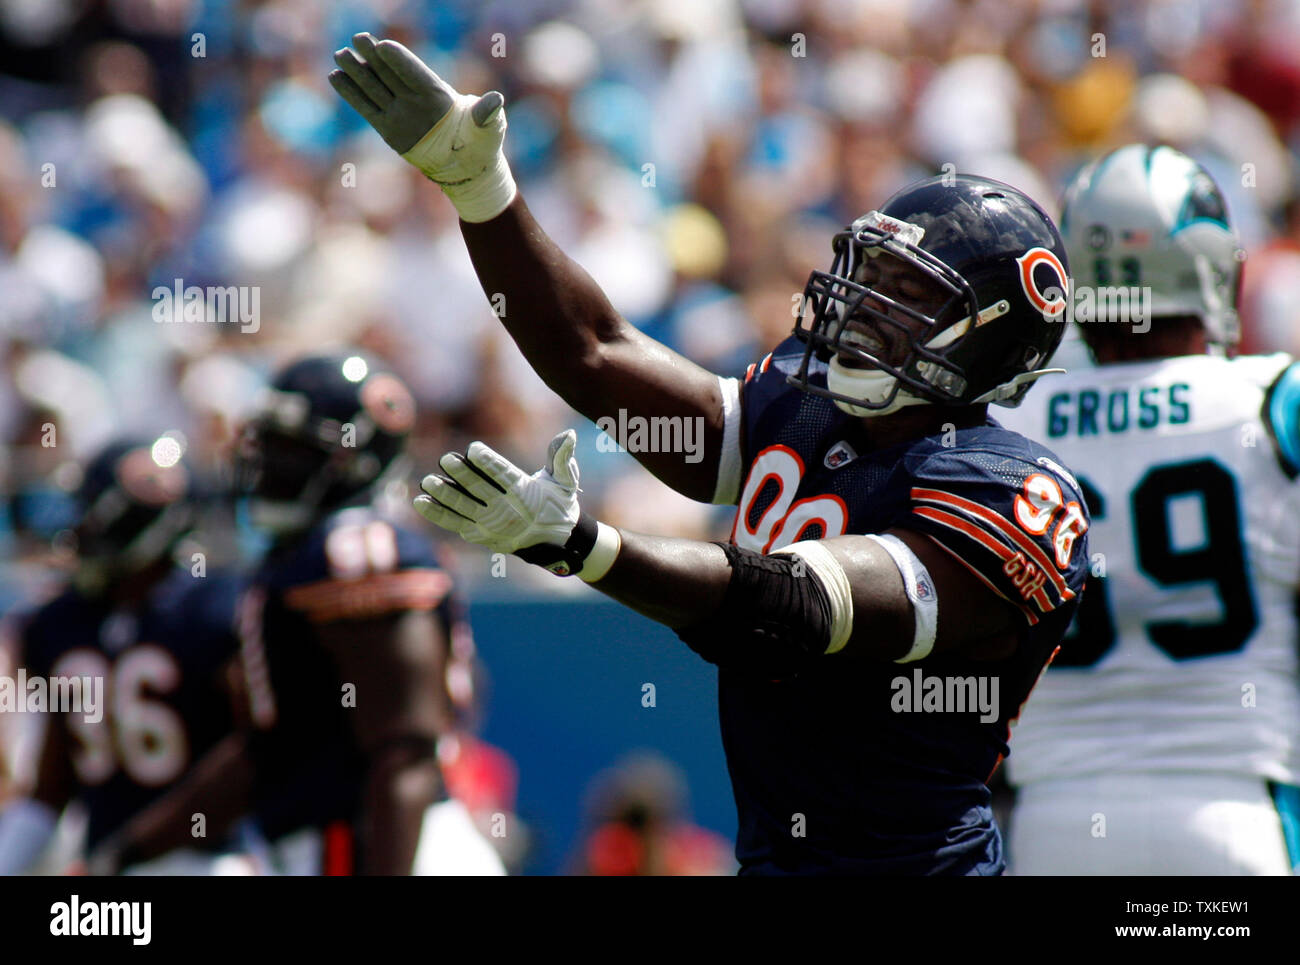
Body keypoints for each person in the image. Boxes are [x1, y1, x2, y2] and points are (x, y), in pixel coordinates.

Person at [331, 34, 1090, 874]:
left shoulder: (1006, 489)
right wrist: (480, 188)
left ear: (989, 345)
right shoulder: (803, 408)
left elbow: (793, 610)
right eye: (872, 272)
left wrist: (586, 546)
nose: (865, 304)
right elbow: (593, 351)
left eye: (908, 294)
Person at [998, 143, 1300, 875]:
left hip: (1051, 822)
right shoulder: (1273, 402)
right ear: (1212, 267)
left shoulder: (1006, 423)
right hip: (1233, 814)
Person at [97, 354, 504, 875]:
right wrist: (130, 849)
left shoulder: (358, 549)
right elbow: (267, 752)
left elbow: (404, 749)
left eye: (290, 447)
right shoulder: (301, 557)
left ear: (355, 458)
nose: (267, 463)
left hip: (375, 849)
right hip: (336, 847)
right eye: (267, 443)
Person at [0, 435, 254, 875]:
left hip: (203, 859)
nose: (82, 532)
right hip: (113, 864)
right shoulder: (62, 622)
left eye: (100, 518)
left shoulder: (217, 610)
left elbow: (255, 755)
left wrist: (126, 850)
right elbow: (52, 786)